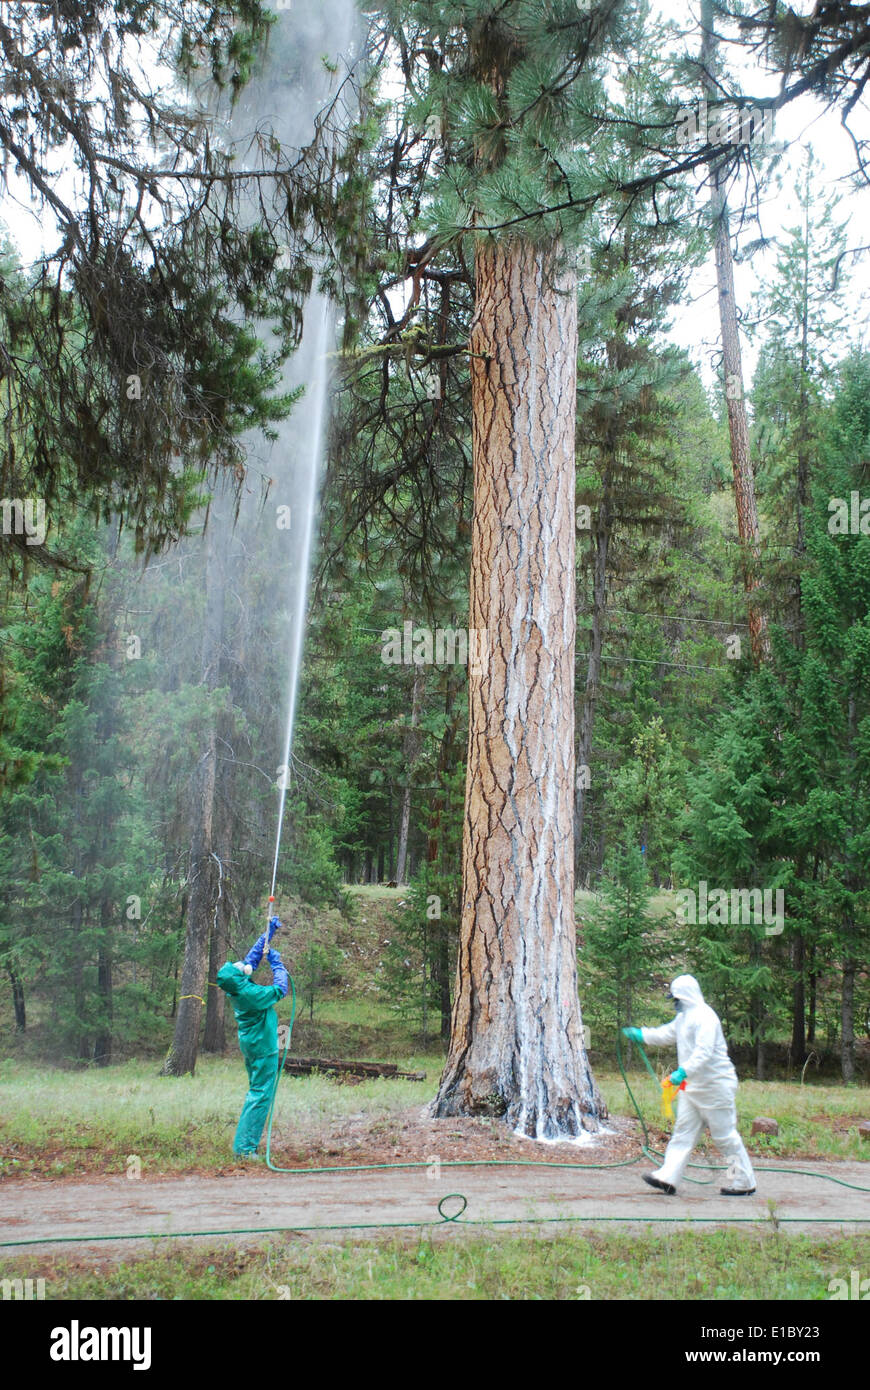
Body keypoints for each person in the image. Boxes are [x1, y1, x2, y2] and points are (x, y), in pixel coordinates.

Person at [622, 973, 756, 1196]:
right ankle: (668, 1177)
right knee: (683, 1133)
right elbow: (666, 1034)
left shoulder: (706, 1017)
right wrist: (642, 1034)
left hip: (715, 1087)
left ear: (685, 996)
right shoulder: (683, 1018)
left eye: (676, 999)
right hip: (692, 1089)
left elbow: (704, 1052)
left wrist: (683, 1071)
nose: (674, 1003)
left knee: (724, 1138)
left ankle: (742, 1181)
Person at [217, 915, 288, 1160]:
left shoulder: (237, 987)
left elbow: (250, 961)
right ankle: (245, 1149)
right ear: (238, 979)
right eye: (239, 970)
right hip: (262, 1046)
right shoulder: (250, 994)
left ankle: (246, 1145)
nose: (242, 966)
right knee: (260, 1094)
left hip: (252, 1044)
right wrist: (278, 965)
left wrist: (267, 934)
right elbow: (280, 989)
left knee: (257, 1091)